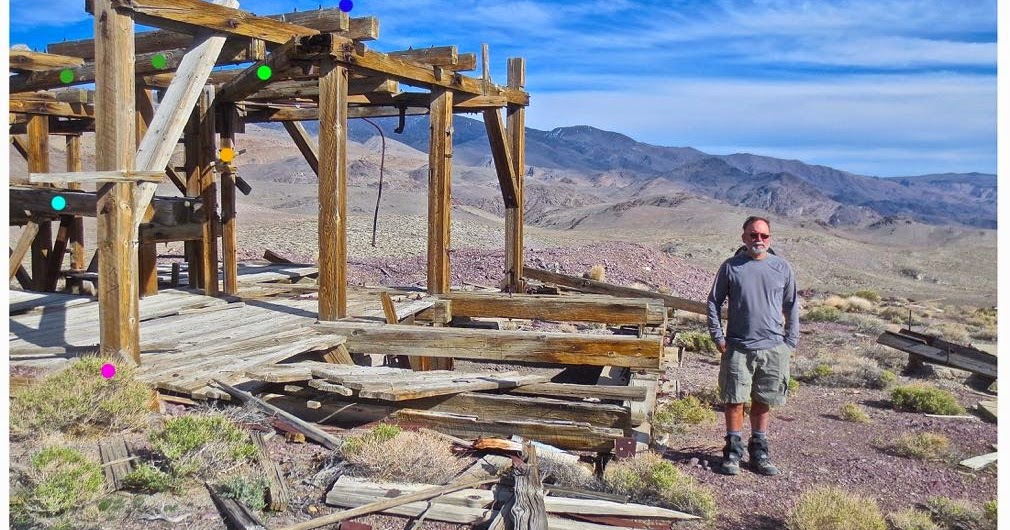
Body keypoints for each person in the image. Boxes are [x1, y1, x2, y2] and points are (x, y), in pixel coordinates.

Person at [707, 216, 799, 476]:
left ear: (770, 238)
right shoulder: (731, 267)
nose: (759, 239)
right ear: (744, 237)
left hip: (774, 348)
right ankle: (732, 451)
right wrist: (718, 337)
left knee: (763, 400)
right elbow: (713, 302)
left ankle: (759, 451)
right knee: (734, 400)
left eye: (764, 235)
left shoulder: (782, 267)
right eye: (753, 234)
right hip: (738, 347)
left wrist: (790, 342)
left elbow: (792, 305)